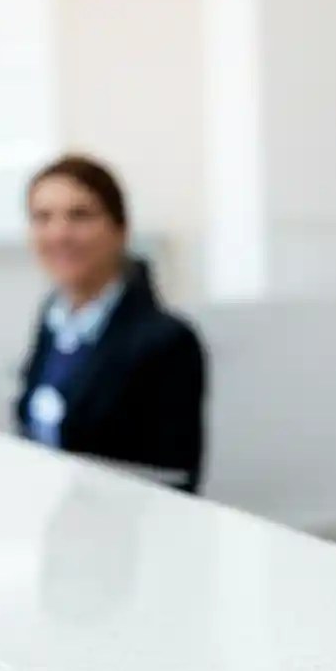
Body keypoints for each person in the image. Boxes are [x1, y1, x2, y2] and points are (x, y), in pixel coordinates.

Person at [15, 154, 207, 493]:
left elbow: (171, 480)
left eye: (80, 215)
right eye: (42, 218)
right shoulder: (53, 323)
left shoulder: (167, 341)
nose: (59, 233)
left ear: (120, 229)